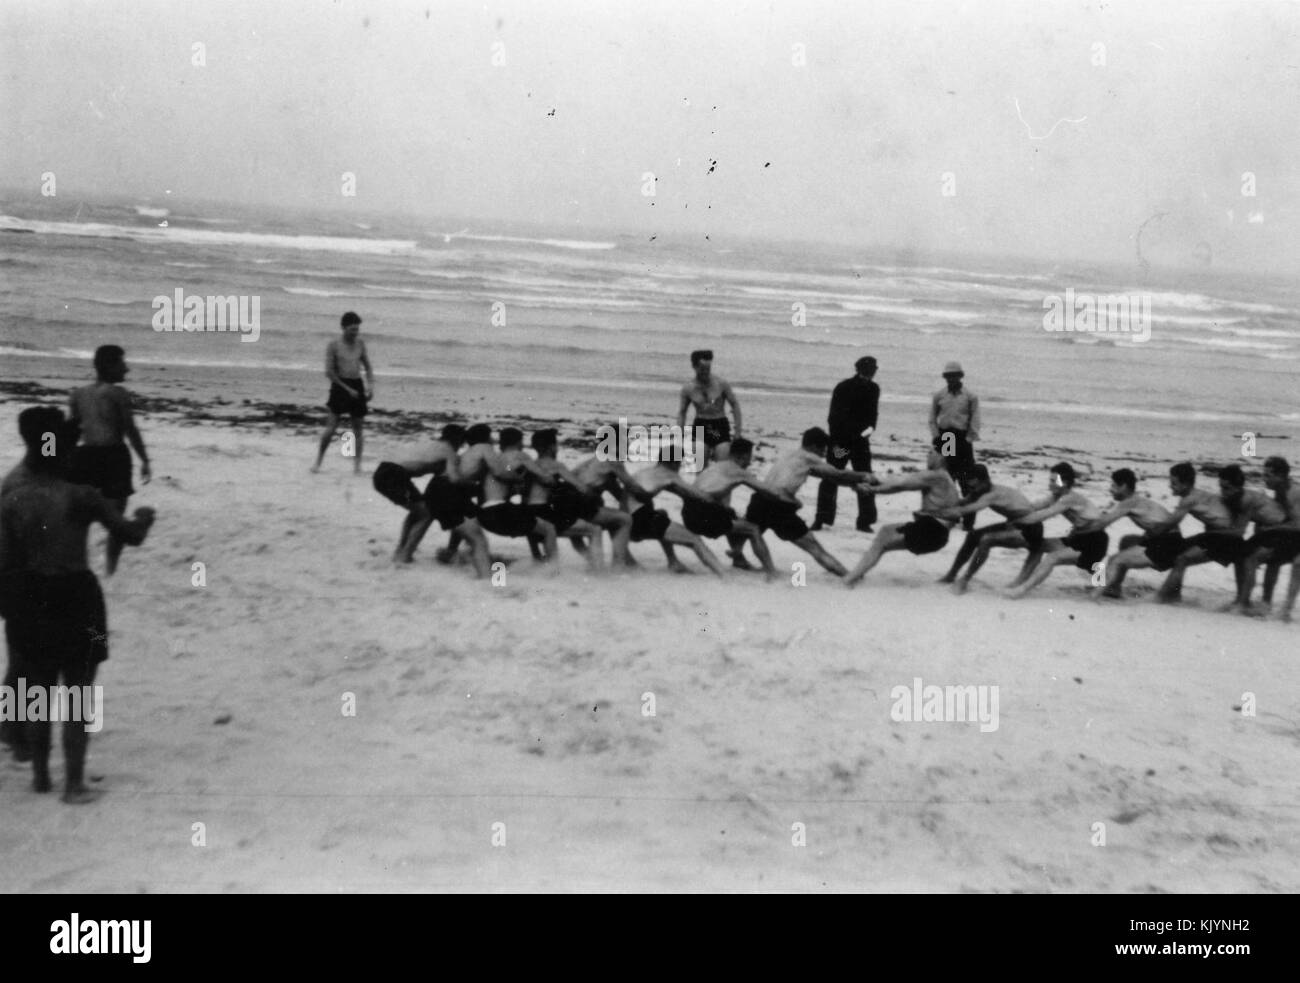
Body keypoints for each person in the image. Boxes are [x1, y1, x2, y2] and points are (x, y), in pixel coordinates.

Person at [0, 406, 156, 803]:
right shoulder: (81, 496)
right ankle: (73, 784)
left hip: (30, 595)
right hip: (77, 596)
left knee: (35, 689)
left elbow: (5, 559)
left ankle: (39, 775)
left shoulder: (10, 492)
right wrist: (144, 517)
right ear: (64, 453)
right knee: (78, 695)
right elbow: (130, 535)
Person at [67, 345, 151, 575]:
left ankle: (78, 564)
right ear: (108, 366)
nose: (127, 368)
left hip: (84, 457)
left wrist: (59, 460)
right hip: (113, 457)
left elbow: (69, 433)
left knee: (79, 516)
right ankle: (110, 568)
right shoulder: (118, 394)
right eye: (121, 363)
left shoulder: (77, 394)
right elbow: (130, 430)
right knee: (116, 519)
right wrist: (145, 459)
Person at [746, 427, 870, 577]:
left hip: (759, 499)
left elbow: (829, 477)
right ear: (813, 447)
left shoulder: (791, 454)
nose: (824, 453)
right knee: (815, 548)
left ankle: (748, 562)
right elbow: (839, 473)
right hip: (779, 506)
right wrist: (865, 476)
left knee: (748, 534)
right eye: (822, 449)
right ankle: (847, 575)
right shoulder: (809, 457)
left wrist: (853, 486)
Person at [843, 449, 960, 587]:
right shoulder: (944, 477)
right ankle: (857, 574)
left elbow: (900, 485)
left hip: (932, 531)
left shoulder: (936, 476)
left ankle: (850, 579)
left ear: (941, 457)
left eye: (931, 453)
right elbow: (899, 483)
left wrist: (871, 488)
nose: (927, 456)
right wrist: (874, 483)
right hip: (937, 534)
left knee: (884, 536)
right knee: (884, 538)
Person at [1003, 463, 1107, 599]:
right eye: (1050, 480)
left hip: (1095, 541)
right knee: (1038, 546)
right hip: (1078, 538)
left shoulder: (1070, 498)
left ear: (1064, 483)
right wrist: (1010, 509)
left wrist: (1017, 522)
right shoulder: (1055, 497)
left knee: (1053, 557)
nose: (1050, 484)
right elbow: (1032, 507)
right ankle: (1019, 581)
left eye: (1053, 481)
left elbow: (1044, 514)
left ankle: (1022, 589)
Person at [936, 465, 1045, 594]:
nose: (973, 490)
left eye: (975, 486)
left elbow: (971, 508)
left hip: (1031, 530)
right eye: (971, 487)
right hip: (1014, 524)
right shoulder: (981, 490)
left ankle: (965, 579)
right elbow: (962, 502)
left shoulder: (993, 494)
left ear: (985, 481)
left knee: (986, 540)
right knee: (972, 536)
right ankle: (951, 574)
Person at [1072, 468, 1180, 599]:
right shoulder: (1136, 500)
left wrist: (1077, 529)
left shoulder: (1130, 502)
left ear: (1123, 486)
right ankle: (1113, 587)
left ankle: (1095, 595)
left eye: (1113, 485)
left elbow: (1102, 523)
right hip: (1166, 539)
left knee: (1115, 559)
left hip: (1168, 544)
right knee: (1127, 541)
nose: (1110, 489)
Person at [372, 423, 471, 564]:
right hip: (394, 474)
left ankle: (401, 549)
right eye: (462, 443)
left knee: (417, 510)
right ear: (458, 440)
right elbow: (454, 478)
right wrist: (470, 483)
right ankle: (405, 555)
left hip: (383, 470)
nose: (461, 447)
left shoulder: (432, 445)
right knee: (426, 513)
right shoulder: (449, 452)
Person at [623, 443, 727, 576]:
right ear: (674, 463)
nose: (679, 467)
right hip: (639, 521)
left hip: (626, 522)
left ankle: (673, 562)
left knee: (662, 514)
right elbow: (702, 496)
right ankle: (725, 576)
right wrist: (723, 496)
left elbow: (682, 494)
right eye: (680, 463)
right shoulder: (670, 475)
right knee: (694, 540)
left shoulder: (645, 472)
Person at [681, 438, 778, 579]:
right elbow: (767, 491)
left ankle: (739, 559)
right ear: (742, 456)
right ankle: (771, 571)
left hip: (688, 513)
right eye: (748, 458)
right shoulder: (738, 471)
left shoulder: (714, 467)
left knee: (731, 516)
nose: (749, 462)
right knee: (753, 529)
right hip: (703, 515)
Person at [1153, 464, 1251, 604]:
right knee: (1181, 557)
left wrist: (1150, 533)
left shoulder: (1189, 499)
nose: (1170, 486)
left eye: (1174, 483)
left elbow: (1171, 522)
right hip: (1219, 536)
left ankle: (1166, 596)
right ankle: (1173, 594)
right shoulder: (1198, 495)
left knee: (1182, 558)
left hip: (1224, 538)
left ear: (1186, 484)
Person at [524, 429, 611, 570]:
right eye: (556, 445)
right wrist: (595, 495)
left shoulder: (532, 466)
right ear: (552, 447)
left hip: (529, 512)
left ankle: (591, 563)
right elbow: (581, 487)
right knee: (594, 529)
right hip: (544, 512)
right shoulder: (555, 465)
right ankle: (599, 571)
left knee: (575, 526)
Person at [813, 356, 880, 533]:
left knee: (864, 478)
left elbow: (873, 420)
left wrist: (864, 435)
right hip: (843, 442)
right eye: (870, 368)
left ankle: (864, 521)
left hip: (857, 443)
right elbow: (833, 418)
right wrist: (847, 437)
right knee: (831, 476)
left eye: (873, 368)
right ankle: (822, 518)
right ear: (860, 369)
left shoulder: (874, 389)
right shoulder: (843, 387)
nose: (872, 372)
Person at [472, 427, 559, 560]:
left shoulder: (496, 460)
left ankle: (537, 558)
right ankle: (553, 568)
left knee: (530, 519)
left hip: (484, 515)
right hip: (499, 512)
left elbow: (505, 475)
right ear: (519, 442)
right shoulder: (520, 456)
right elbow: (545, 477)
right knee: (549, 529)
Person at [312, 312, 373, 474]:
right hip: (340, 385)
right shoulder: (334, 345)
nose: (355, 332)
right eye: (352, 329)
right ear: (343, 328)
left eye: (357, 329)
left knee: (358, 429)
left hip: (357, 384)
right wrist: (347, 389)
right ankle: (318, 462)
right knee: (331, 428)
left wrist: (370, 386)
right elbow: (329, 372)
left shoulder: (360, 343)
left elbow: (368, 367)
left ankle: (357, 466)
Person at [1246, 457, 1300, 621]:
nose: (1265, 479)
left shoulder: (1294, 492)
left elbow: (1297, 523)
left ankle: (1287, 610)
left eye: (1268, 475)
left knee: (1298, 565)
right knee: (1271, 559)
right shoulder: (1280, 491)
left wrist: (1271, 528)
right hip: (1293, 534)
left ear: (1281, 476)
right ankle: (1266, 602)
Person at [928, 361, 980, 512]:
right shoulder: (939, 395)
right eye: (948, 376)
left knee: (966, 479)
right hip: (947, 438)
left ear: (960, 377)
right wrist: (936, 436)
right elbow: (932, 418)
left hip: (962, 438)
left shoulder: (970, 396)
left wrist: (969, 439)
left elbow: (975, 419)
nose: (951, 379)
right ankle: (948, 512)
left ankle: (968, 517)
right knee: (947, 477)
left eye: (954, 376)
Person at [677, 350, 741, 465]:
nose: (705, 372)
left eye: (708, 369)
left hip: (719, 426)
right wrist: (679, 436)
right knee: (700, 467)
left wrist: (738, 433)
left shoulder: (721, 384)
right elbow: (682, 412)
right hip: (701, 426)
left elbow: (735, 405)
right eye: (702, 369)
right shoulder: (688, 388)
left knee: (722, 468)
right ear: (694, 367)